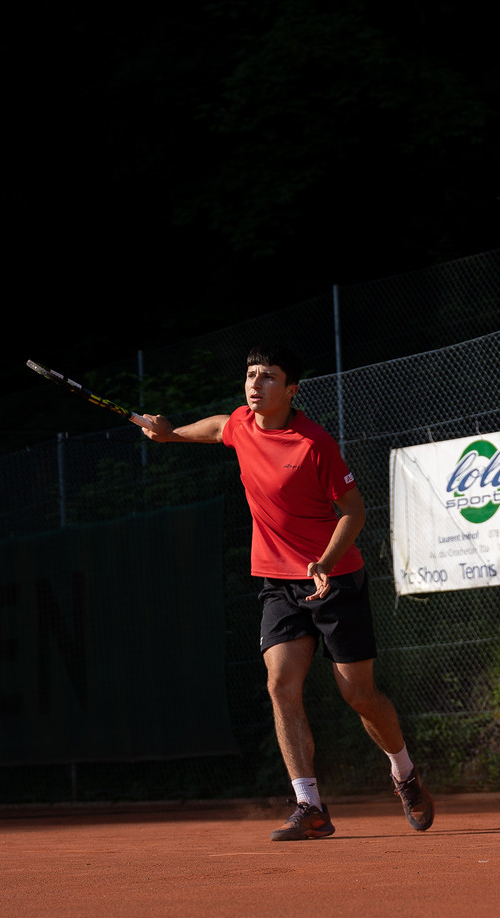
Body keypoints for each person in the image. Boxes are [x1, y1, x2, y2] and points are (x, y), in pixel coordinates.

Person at [132, 345, 434, 841]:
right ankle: (309, 805)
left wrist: (325, 562)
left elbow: (354, 511)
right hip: (277, 582)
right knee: (280, 685)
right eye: (250, 375)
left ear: (291, 390)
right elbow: (214, 428)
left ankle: (404, 773)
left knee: (357, 694)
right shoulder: (242, 425)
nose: (255, 384)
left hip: (334, 580)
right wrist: (170, 433)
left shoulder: (315, 443)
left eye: (268, 377)